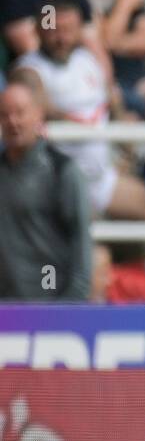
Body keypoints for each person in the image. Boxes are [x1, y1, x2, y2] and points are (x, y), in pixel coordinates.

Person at [15, 0, 145, 221]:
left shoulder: (88, 61)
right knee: (91, 239)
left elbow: (113, 103)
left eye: (68, 30)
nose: (61, 38)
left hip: (102, 180)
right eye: (53, 31)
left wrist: (126, 151)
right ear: (37, 31)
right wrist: (68, 120)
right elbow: (35, 103)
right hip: (58, 183)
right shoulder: (29, 69)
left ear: (80, 30)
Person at [0, 82, 92, 301]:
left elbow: (80, 241)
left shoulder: (62, 171)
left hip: (50, 306)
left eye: (20, 113)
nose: (13, 121)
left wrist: (68, 306)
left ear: (38, 115)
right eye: (4, 115)